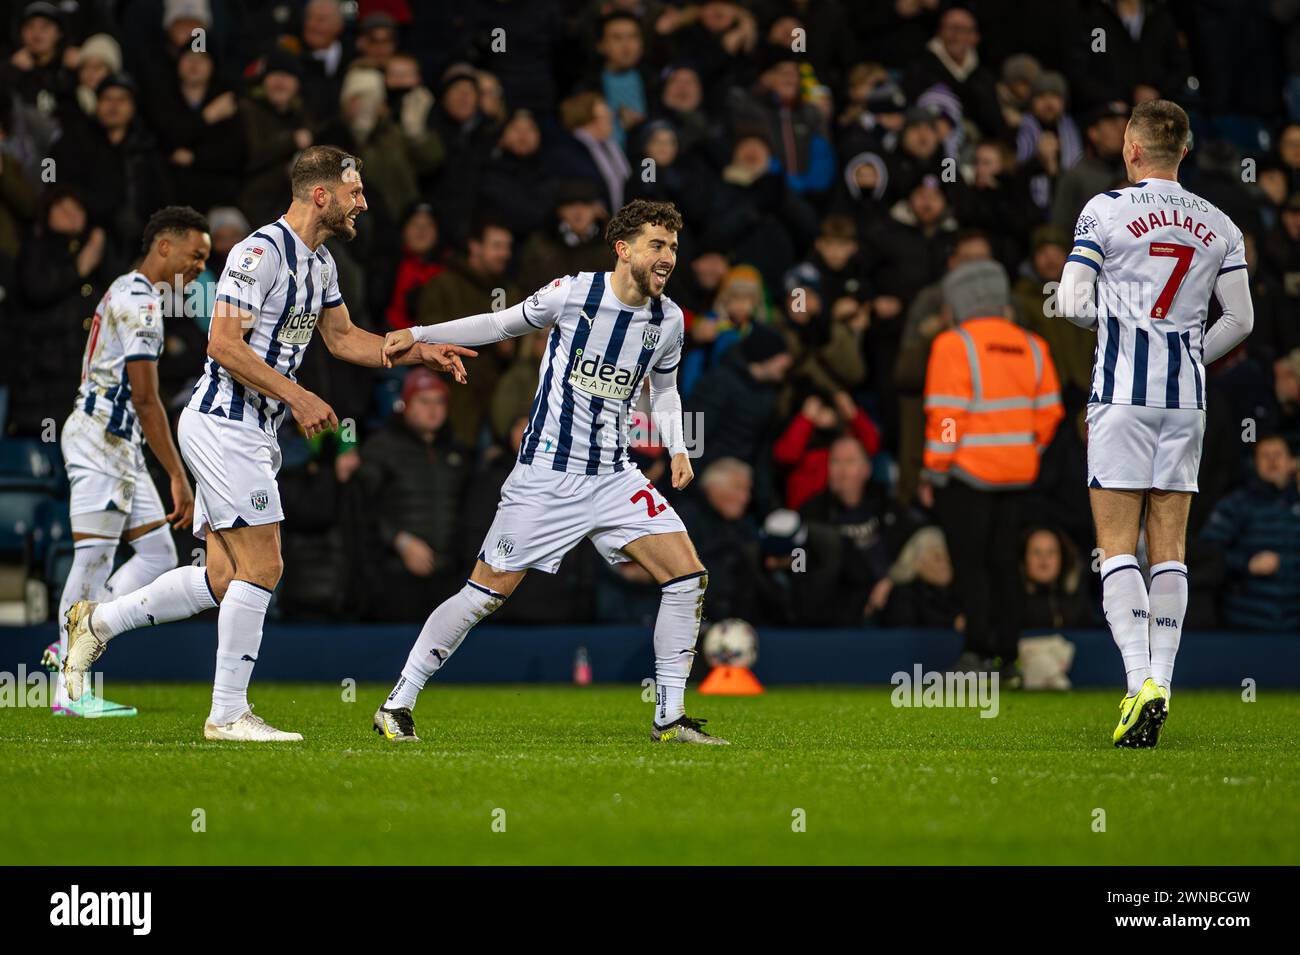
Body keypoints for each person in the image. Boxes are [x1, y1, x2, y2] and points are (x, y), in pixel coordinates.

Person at [62, 146, 473, 742]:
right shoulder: (258, 253)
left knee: (225, 579)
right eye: (356, 193)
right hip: (222, 422)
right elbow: (224, 344)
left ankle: (97, 621)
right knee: (266, 564)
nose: (364, 203)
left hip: (252, 430)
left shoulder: (321, 264)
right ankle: (227, 714)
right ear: (322, 195)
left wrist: (419, 351)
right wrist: (300, 396)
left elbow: (344, 339)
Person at [376, 199, 729, 746]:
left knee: (687, 578)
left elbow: (664, 389)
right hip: (547, 476)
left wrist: (678, 448)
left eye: (674, 248)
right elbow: (498, 324)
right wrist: (420, 333)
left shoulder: (670, 319)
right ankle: (398, 701)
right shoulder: (573, 293)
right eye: (657, 245)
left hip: (615, 476)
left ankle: (670, 717)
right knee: (484, 594)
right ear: (624, 249)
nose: (668, 258)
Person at [1058, 99, 1254, 747]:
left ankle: (1138, 678)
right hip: (1186, 398)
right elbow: (1243, 321)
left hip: (1121, 393)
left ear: (1132, 149)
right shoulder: (1221, 223)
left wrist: (1117, 328)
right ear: (1185, 152)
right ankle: (1163, 683)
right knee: (1169, 544)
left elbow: (1071, 299)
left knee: (1118, 544)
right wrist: (1190, 349)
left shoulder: (1105, 209)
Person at [49, 206, 211, 718]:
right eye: (196, 255)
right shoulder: (139, 302)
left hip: (121, 446)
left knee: (160, 558)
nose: (200, 268)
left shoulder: (131, 292)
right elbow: (145, 398)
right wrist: (178, 474)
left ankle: (85, 627)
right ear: (165, 245)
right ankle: (68, 689)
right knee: (93, 559)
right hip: (101, 438)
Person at [922, 260, 1064, 678]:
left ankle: (977, 653)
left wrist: (936, 469)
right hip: (1018, 475)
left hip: (967, 476)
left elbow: (947, 417)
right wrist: (1025, 449)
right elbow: (1050, 413)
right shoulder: (1033, 345)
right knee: (1005, 565)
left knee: (972, 565)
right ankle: (1007, 657)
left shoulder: (954, 344)